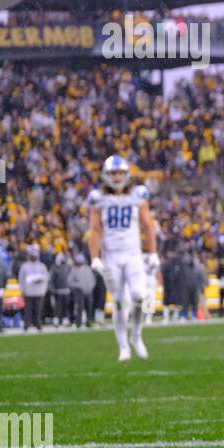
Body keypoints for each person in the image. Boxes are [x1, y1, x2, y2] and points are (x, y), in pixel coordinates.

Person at [87, 155, 159, 361]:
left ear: (126, 175)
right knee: (119, 302)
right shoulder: (98, 198)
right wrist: (95, 257)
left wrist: (153, 252)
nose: (117, 177)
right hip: (111, 256)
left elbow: (148, 226)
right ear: (106, 175)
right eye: (113, 173)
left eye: (120, 173)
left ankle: (136, 335)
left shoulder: (138, 195)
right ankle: (123, 346)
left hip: (133, 254)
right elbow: (95, 229)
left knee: (138, 296)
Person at [18, 245, 49, 331]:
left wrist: (43, 288)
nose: (33, 257)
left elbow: (46, 278)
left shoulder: (42, 266)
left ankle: (38, 324)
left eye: (34, 256)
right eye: (32, 256)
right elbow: (21, 279)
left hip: (39, 291)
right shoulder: (25, 266)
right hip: (28, 291)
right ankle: (27, 324)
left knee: (38, 309)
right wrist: (22, 290)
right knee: (28, 309)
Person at [69, 253, 96, 328]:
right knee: (79, 308)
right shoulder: (74, 270)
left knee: (89, 307)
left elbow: (92, 279)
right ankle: (78, 323)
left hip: (89, 291)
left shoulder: (87, 268)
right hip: (79, 292)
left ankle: (89, 321)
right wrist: (78, 286)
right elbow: (70, 281)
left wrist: (91, 287)